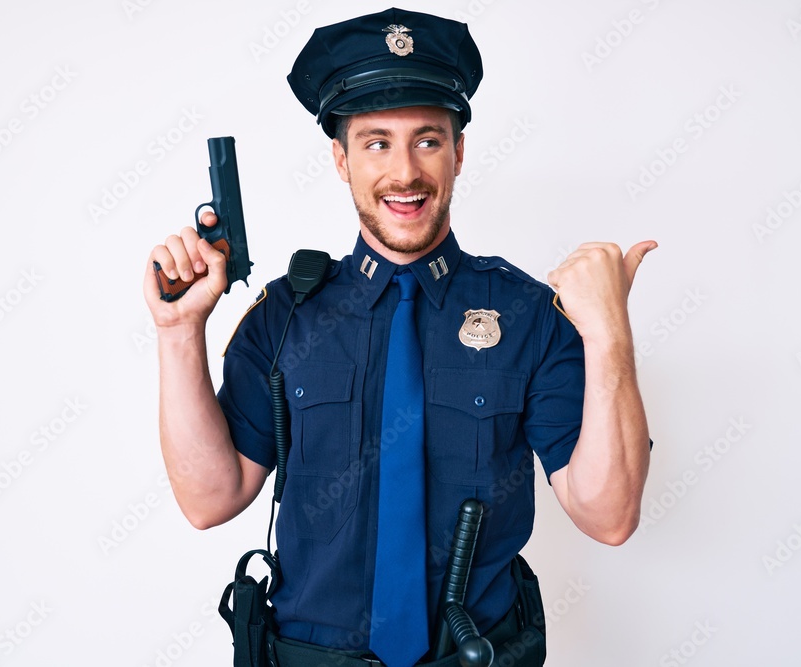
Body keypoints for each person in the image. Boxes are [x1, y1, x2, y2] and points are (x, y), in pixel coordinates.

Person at [144, 8, 653, 667]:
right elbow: (209, 499)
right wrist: (178, 331)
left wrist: (609, 336)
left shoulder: (526, 313)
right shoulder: (286, 314)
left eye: (428, 140)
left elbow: (608, 515)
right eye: (377, 142)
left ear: (459, 152)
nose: (405, 172)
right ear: (341, 159)